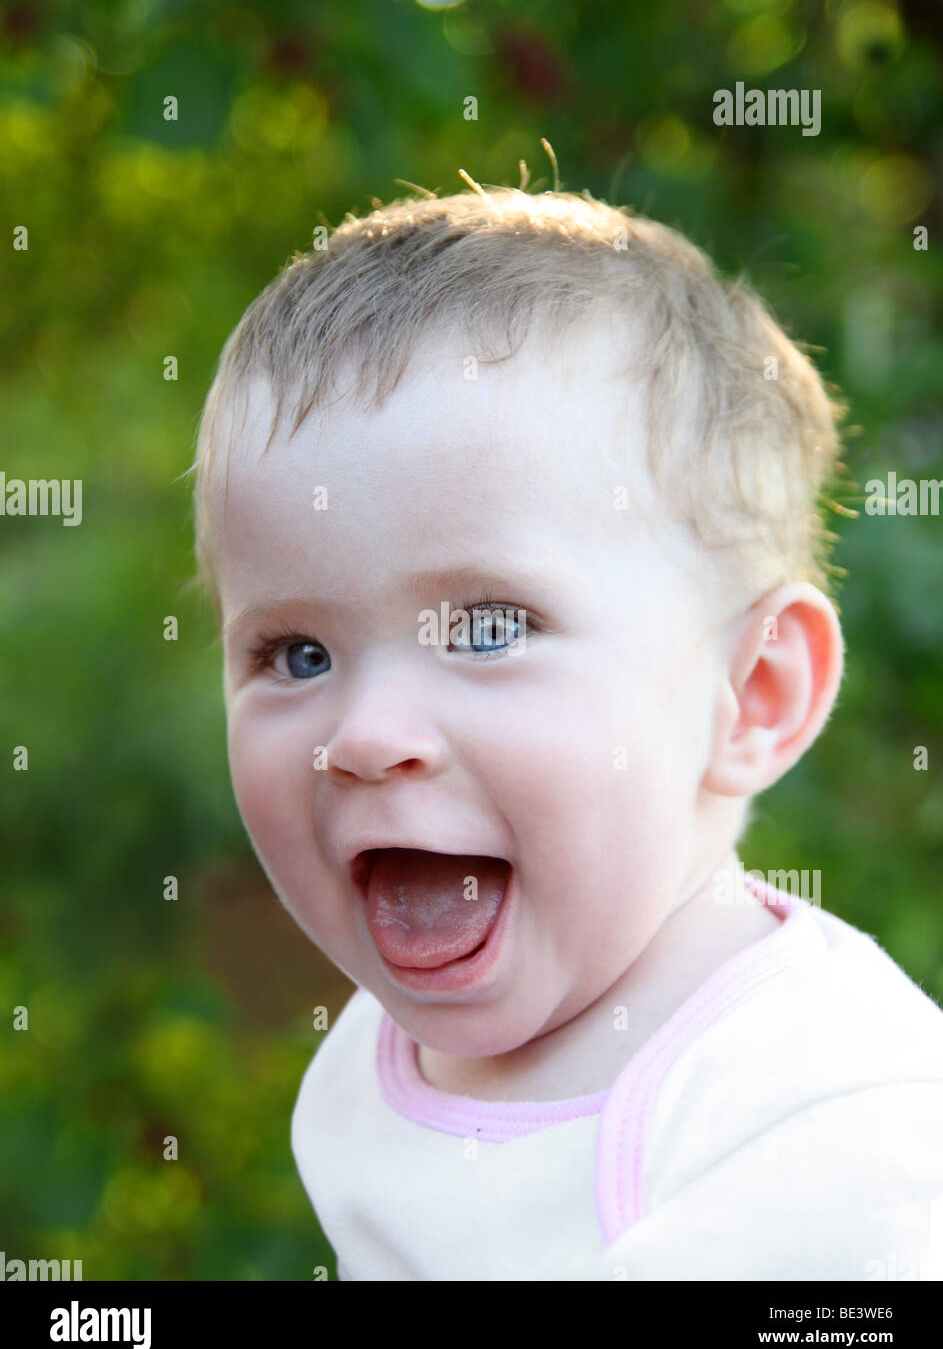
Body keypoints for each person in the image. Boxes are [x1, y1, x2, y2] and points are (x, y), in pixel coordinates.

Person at [186, 176, 943, 1280]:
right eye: (297, 653)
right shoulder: (370, 1055)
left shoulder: (823, 1109)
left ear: (753, 695)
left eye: (488, 628)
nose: (365, 733)